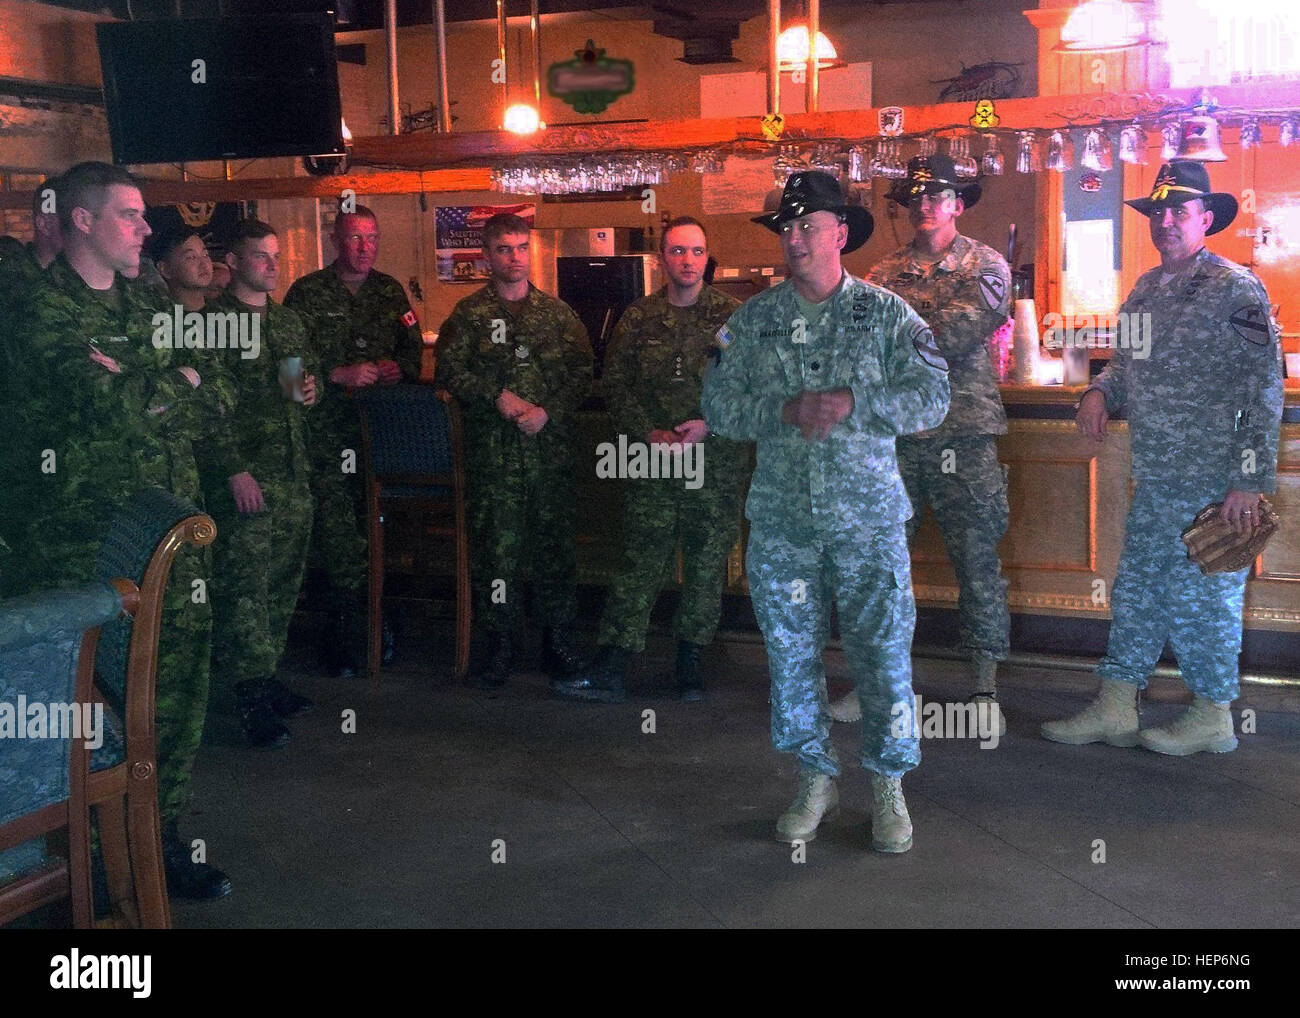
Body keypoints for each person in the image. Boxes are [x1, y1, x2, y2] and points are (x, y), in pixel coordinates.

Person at [701, 171, 950, 852]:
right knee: (790, 657)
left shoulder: (887, 314)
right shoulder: (753, 322)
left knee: (882, 657)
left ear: (841, 234)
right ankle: (814, 776)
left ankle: (888, 786)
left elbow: (934, 396)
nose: (795, 240)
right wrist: (781, 411)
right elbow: (719, 409)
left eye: (808, 227)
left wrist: (858, 406)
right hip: (783, 521)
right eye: (786, 229)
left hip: (867, 519)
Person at [4, 161, 232, 898]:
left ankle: (156, 839)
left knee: (173, 691)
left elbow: (219, 386)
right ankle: (85, 861)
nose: (144, 229)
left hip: (172, 530)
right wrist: (173, 383)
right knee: (87, 705)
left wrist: (158, 381)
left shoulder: (146, 303)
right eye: (131, 215)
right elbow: (107, 408)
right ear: (81, 220)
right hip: (81, 538)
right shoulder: (42, 310)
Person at [1041, 160, 1283, 756]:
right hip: (1157, 476)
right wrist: (1097, 390)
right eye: (1158, 212)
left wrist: (1248, 480)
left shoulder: (1236, 288)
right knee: (1138, 590)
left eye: (1180, 210)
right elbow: (1128, 365)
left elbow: (1263, 387)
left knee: (1205, 598)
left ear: (1206, 218)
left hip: (1213, 479)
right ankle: (1118, 704)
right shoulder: (1147, 288)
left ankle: (1211, 714)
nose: (1167, 221)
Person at [830, 154, 1011, 733]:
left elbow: (956, 334)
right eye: (917, 198)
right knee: (880, 565)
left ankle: (983, 689)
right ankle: (875, 684)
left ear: (958, 204)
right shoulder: (882, 274)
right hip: (897, 438)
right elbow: (856, 340)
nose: (927, 205)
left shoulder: (987, 265)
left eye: (939, 195)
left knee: (976, 561)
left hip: (964, 433)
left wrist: (893, 345)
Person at [551, 217, 748, 704]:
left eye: (697, 251)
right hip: (654, 462)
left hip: (714, 463)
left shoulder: (733, 317)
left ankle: (691, 663)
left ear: (707, 257)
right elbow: (614, 384)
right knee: (639, 563)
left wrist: (709, 424)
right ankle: (614, 662)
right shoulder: (638, 318)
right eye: (678, 251)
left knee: (705, 566)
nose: (688, 261)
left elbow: (751, 388)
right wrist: (647, 432)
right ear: (663, 258)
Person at [435, 213, 593, 688]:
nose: (515, 257)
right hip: (493, 456)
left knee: (554, 553)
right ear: (487, 255)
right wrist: (496, 395)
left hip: (548, 457)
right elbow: (448, 371)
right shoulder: (469, 316)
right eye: (504, 248)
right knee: (497, 556)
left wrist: (548, 410)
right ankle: (499, 645)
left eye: (522, 247)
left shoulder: (558, 315)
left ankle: (558, 643)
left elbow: (582, 374)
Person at [284, 205, 423, 676]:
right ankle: (341, 630)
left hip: (381, 437)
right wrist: (334, 374)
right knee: (335, 534)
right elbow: (284, 372)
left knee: (376, 530)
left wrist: (395, 369)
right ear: (334, 241)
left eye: (372, 237)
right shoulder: (306, 294)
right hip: (325, 436)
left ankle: (376, 621)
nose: (365, 248)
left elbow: (412, 355)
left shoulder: (390, 292)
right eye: (354, 238)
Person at [196, 219, 318, 750]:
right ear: (236, 262)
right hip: (246, 475)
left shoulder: (288, 322)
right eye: (261, 256)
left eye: (275, 255)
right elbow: (205, 409)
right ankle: (247, 693)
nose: (272, 265)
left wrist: (309, 393)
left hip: (291, 471)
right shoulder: (212, 325)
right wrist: (233, 469)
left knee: (283, 580)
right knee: (245, 586)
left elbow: (295, 392)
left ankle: (266, 673)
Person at [150, 225, 213, 313]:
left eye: (205, 255)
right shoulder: (155, 319)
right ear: (165, 269)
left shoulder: (226, 314)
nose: (204, 264)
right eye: (191, 257)